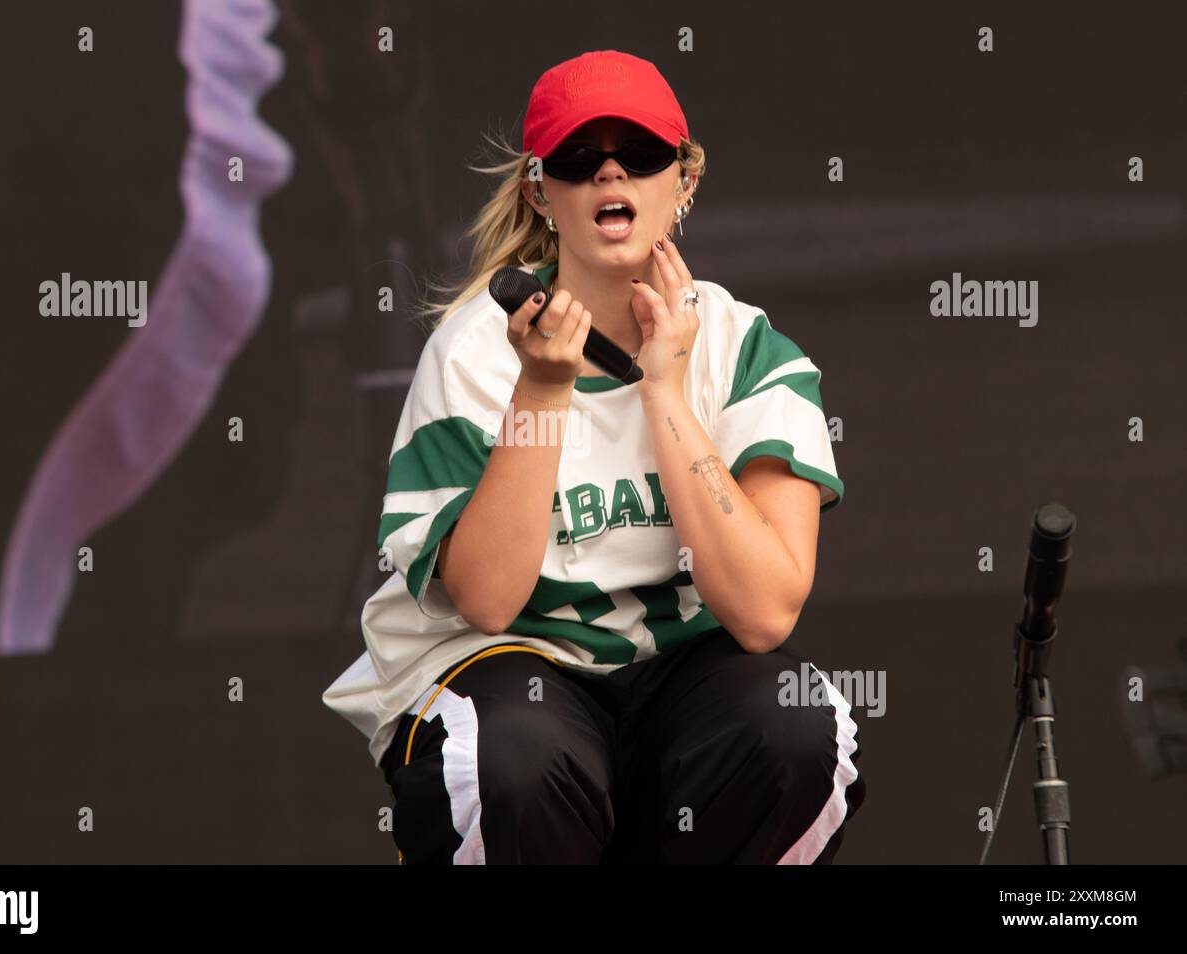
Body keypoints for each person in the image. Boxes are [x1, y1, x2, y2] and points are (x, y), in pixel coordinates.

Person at [323, 49, 866, 864]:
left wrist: (664, 394)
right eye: (581, 157)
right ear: (542, 192)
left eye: (640, 153)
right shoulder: (473, 352)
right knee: (509, 760)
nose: (611, 170)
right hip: (512, 663)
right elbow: (489, 600)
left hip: (681, 668)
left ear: (683, 181)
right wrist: (542, 389)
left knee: (797, 726)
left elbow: (763, 611)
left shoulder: (744, 347)